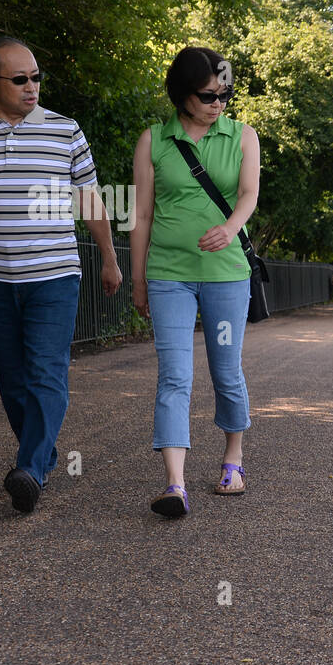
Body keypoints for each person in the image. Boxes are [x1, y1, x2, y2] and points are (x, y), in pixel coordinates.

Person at [0, 36, 123, 512]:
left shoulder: (64, 130)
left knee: (46, 372)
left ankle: (30, 468)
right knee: (12, 378)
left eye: (36, 77)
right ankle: (43, 455)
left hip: (54, 274)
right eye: (20, 79)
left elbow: (90, 199)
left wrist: (109, 258)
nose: (32, 87)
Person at [130, 46, 261, 517]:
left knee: (226, 370)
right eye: (208, 95)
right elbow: (141, 214)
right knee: (174, 376)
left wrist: (230, 228)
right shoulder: (153, 141)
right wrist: (138, 279)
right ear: (182, 95)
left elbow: (249, 194)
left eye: (225, 94)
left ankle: (233, 459)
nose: (218, 103)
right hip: (169, 274)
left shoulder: (243, 136)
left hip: (226, 276)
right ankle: (175, 484)